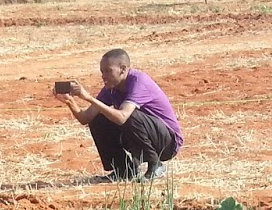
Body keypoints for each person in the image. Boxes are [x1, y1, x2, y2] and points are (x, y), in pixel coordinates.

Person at [56, 49, 182, 182]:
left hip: (168, 143)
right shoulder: (111, 88)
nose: (104, 76)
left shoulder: (138, 81)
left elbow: (122, 117)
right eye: (102, 72)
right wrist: (70, 101)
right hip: (143, 136)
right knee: (98, 118)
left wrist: (89, 98)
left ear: (122, 69)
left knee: (128, 115)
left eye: (108, 71)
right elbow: (86, 118)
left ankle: (155, 164)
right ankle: (123, 170)